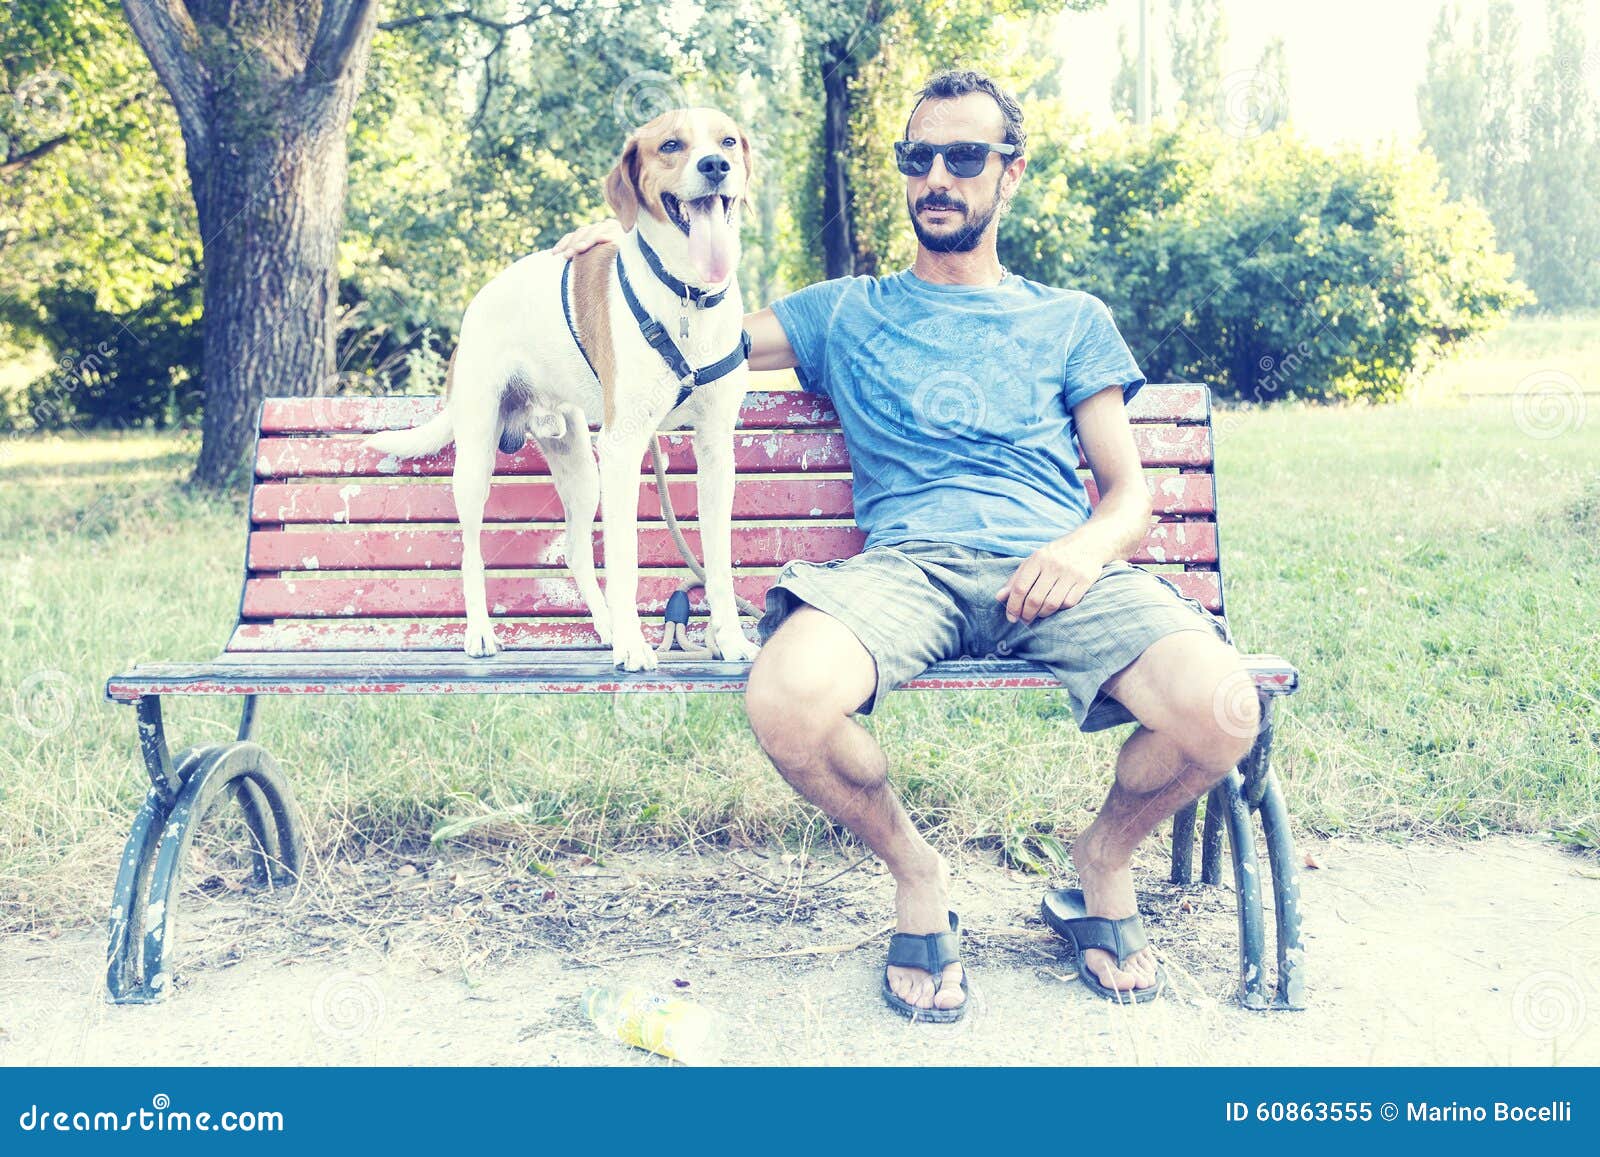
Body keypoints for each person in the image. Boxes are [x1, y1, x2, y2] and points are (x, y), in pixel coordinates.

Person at [554, 69, 1259, 1020]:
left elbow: (1128, 495)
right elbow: (691, 334)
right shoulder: (844, 310)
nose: (937, 176)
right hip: (907, 571)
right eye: (917, 158)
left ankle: (1104, 857)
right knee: (787, 700)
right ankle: (919, 872)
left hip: (1055, 562)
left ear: (1010, 174)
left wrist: (1084, 552)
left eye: (964, 157)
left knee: (1222, 708)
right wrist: (629, 246)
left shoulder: (1070, 319)